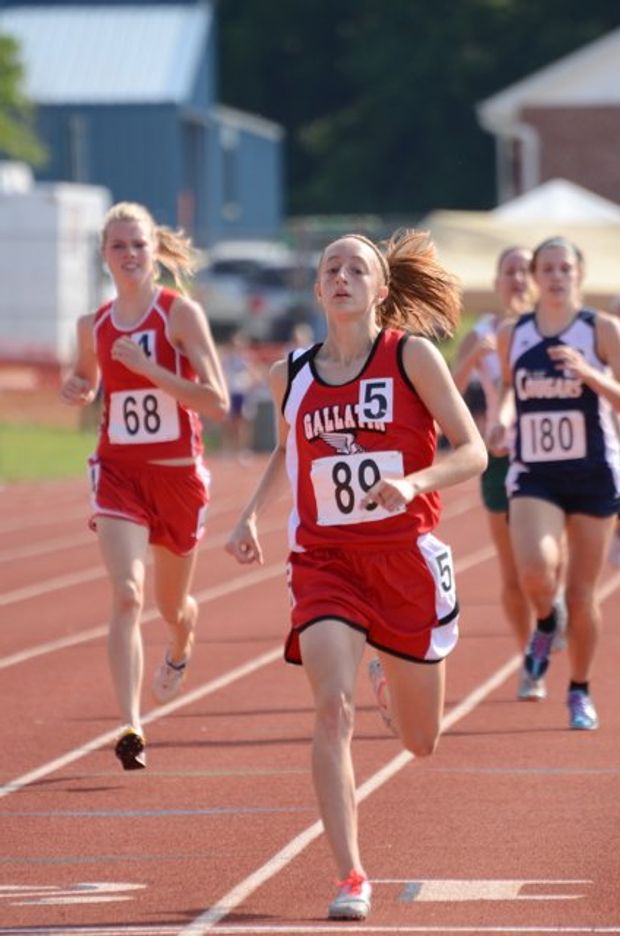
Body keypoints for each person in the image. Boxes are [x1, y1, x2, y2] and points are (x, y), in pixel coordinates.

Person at [226, 229, 487, 920]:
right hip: (326, 561)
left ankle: (386, 674)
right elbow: (288, 453)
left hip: (403, 558)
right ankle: (350, 875)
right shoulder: (292, 374)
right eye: (330, 266)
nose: (342, 275)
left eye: (357, 267)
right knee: (329, 710)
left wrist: (416, 482)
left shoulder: (413, 358)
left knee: (419, 741)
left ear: (379, 290)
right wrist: (250, 515)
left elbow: (475, 453)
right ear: (317, 289)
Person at [60, 201, 229, 770]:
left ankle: (183, 642)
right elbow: (88, 374)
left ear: (155, 252)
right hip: (119, 475)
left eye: (138, 245)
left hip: (178, 478)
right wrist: (80, 387)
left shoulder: (179, 316)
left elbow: (218, 401)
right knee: (128, 593)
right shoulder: (95, 325)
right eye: (118, 247)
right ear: (104, 256)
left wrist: (153, 370)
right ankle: (132, 724)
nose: (129, 255)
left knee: (171, 605)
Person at [489, 236, 620, 731]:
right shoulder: (513, 332)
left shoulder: (602, 330)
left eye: (565, 267)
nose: (556, 276)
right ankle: (546, 621)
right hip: (535, 470)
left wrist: (589, 373)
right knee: (535, 571)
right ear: (536, 276)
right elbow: (507, 387)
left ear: (579, 275)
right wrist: (500, 420)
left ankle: (580, 690)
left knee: (584, 594)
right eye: (548, 268)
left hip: (592, 472)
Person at [452, 247, 566, 701]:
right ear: (497, 282)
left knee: (548, 558)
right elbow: (443, 394)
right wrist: (470, 360)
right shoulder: (479, 334)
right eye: (509, 272)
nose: (518, 279)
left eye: (524, 271)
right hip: (500, 457)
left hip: (551, 454)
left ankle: (552, 598)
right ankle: (530, 659)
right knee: (514, 570)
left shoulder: (557, 329)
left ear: (536, 280)